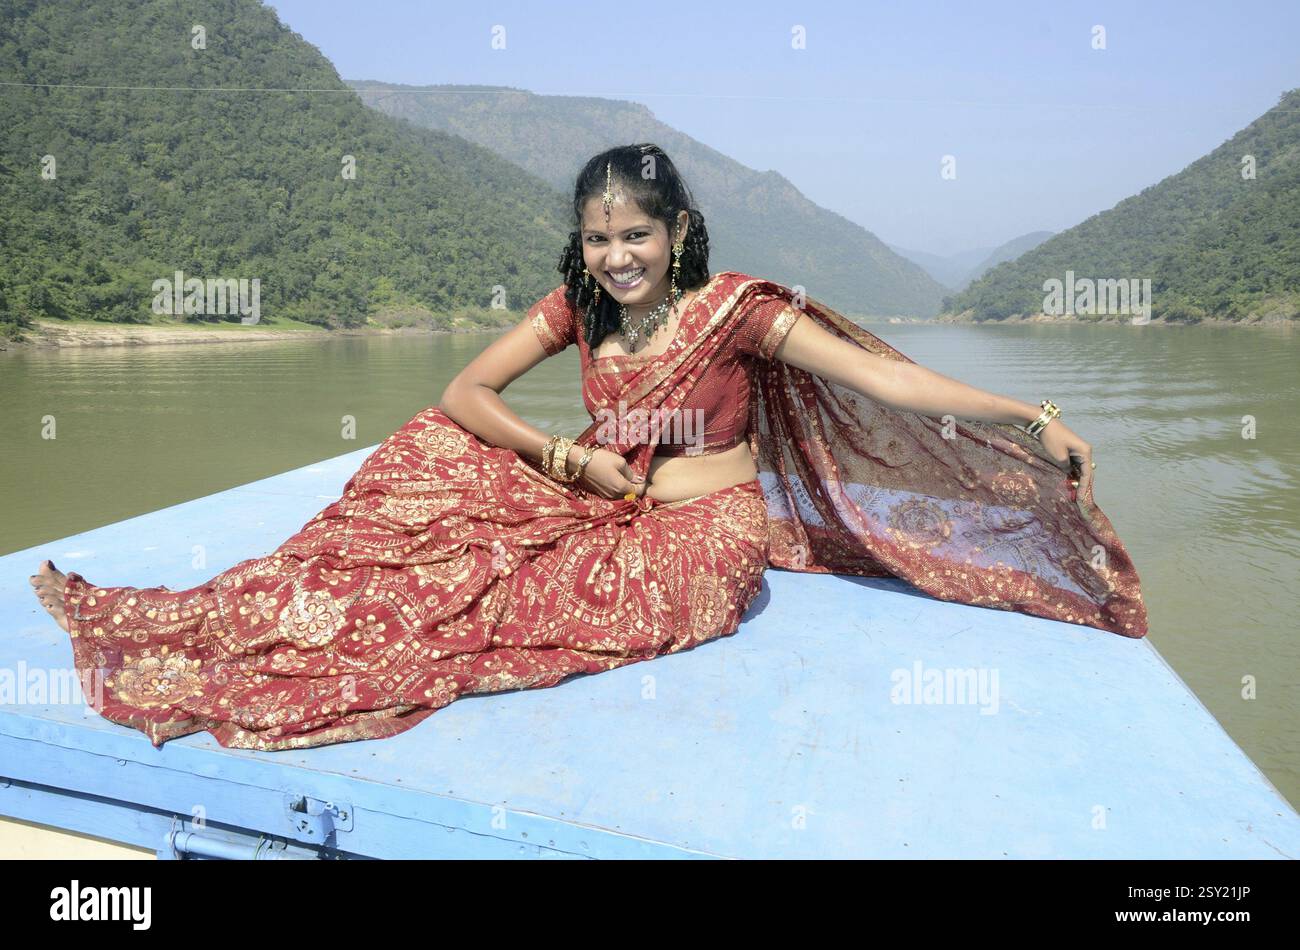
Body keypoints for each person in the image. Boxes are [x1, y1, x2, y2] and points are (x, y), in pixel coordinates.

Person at [29, 144, 1147, 751]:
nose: (616, 255)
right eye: (598, 237)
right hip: (598, 497)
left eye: (635, 236)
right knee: (426, 462)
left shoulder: (736, 310)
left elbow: (887, 377)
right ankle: (239, 615)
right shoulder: (578, 307)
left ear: (676, 234)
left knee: (481, 610)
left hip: (700, 539)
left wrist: (1033, 417)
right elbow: (465, 389)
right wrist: (568, 461)